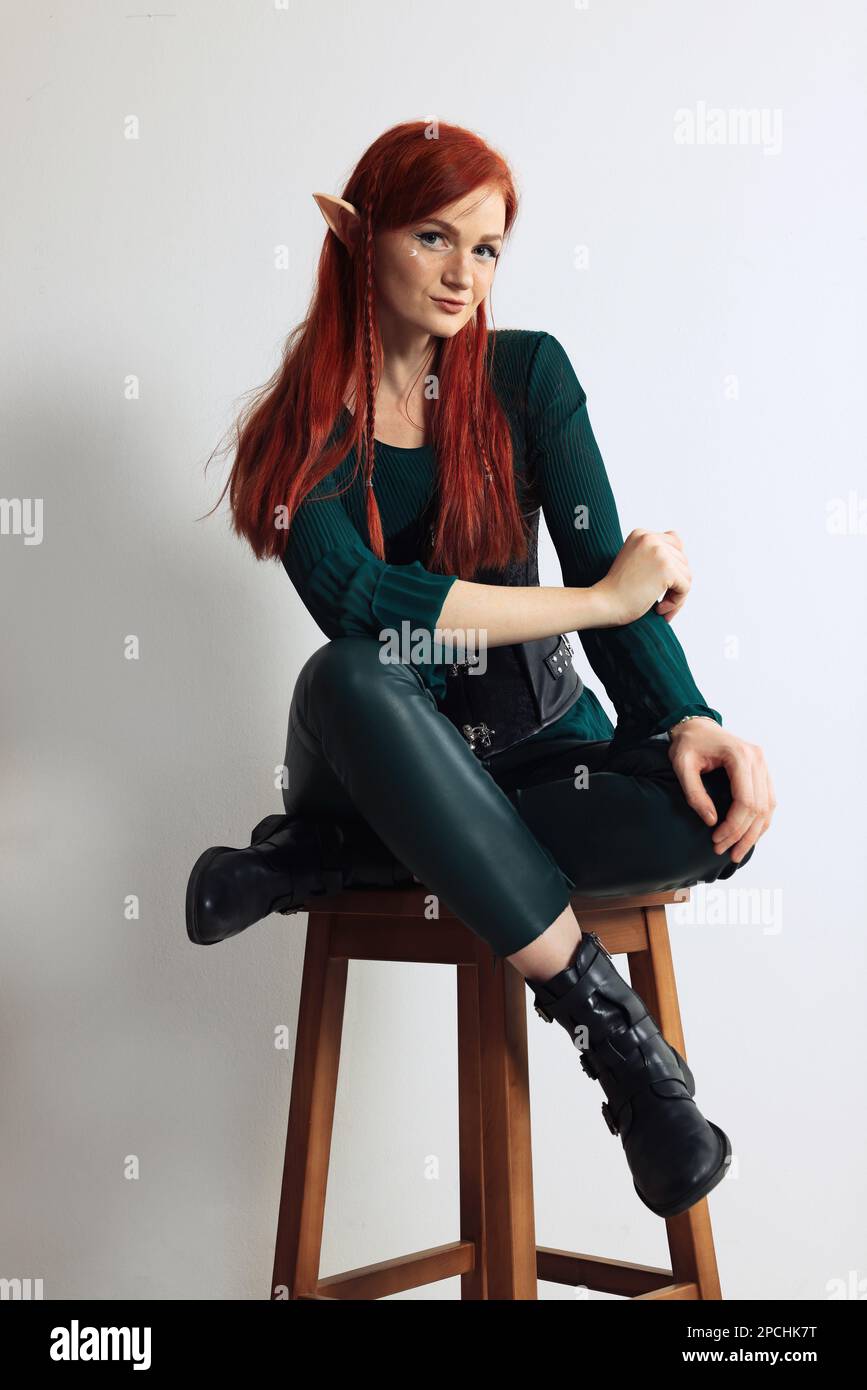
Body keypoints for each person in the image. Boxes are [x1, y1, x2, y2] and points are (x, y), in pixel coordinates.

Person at [185, 120, 775, 1219]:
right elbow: (382, 615)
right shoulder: (300, 435)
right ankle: (621, 1052)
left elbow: (609, 568)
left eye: (489, 247)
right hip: (372, 748)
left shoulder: (526, 376)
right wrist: (600, 600)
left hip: (544, 763)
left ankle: (335, 860)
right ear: (353, 236)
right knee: (348, 674)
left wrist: (687, 715)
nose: (466, 274)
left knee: (711, 816)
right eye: (433, 237)